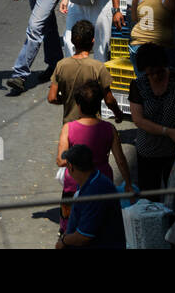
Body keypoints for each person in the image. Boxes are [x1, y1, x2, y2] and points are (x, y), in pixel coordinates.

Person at [56, 83, 133, 233]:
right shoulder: (109, 129)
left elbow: (60, 160)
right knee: (101, 228)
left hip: (74, 185)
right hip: (102, 184)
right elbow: (120, 160)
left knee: (71, 228)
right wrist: (128, 184)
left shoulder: (69, 128)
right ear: (99, 104)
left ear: (78, 105)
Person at [128, 42, 175, 194]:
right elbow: (138, 120)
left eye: (159, 71)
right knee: (149, 197)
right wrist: (168, 131)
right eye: (150, 73)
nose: (155, 76)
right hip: (148, 151)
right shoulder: (138, 85)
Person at [50, 18, 127, 124]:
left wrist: (69, 100)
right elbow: (109, 100)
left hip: (69, 127)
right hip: (92, 128)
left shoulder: (61, 65)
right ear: (93, 41)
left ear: (72, 41)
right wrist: (118, 114)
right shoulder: (98, 67)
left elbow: (52, 98)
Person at [55, 142, 127, 249]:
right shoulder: (89, 181)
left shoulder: (95, 191)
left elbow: (84, 236)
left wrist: (63, 241)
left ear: (71, 167)